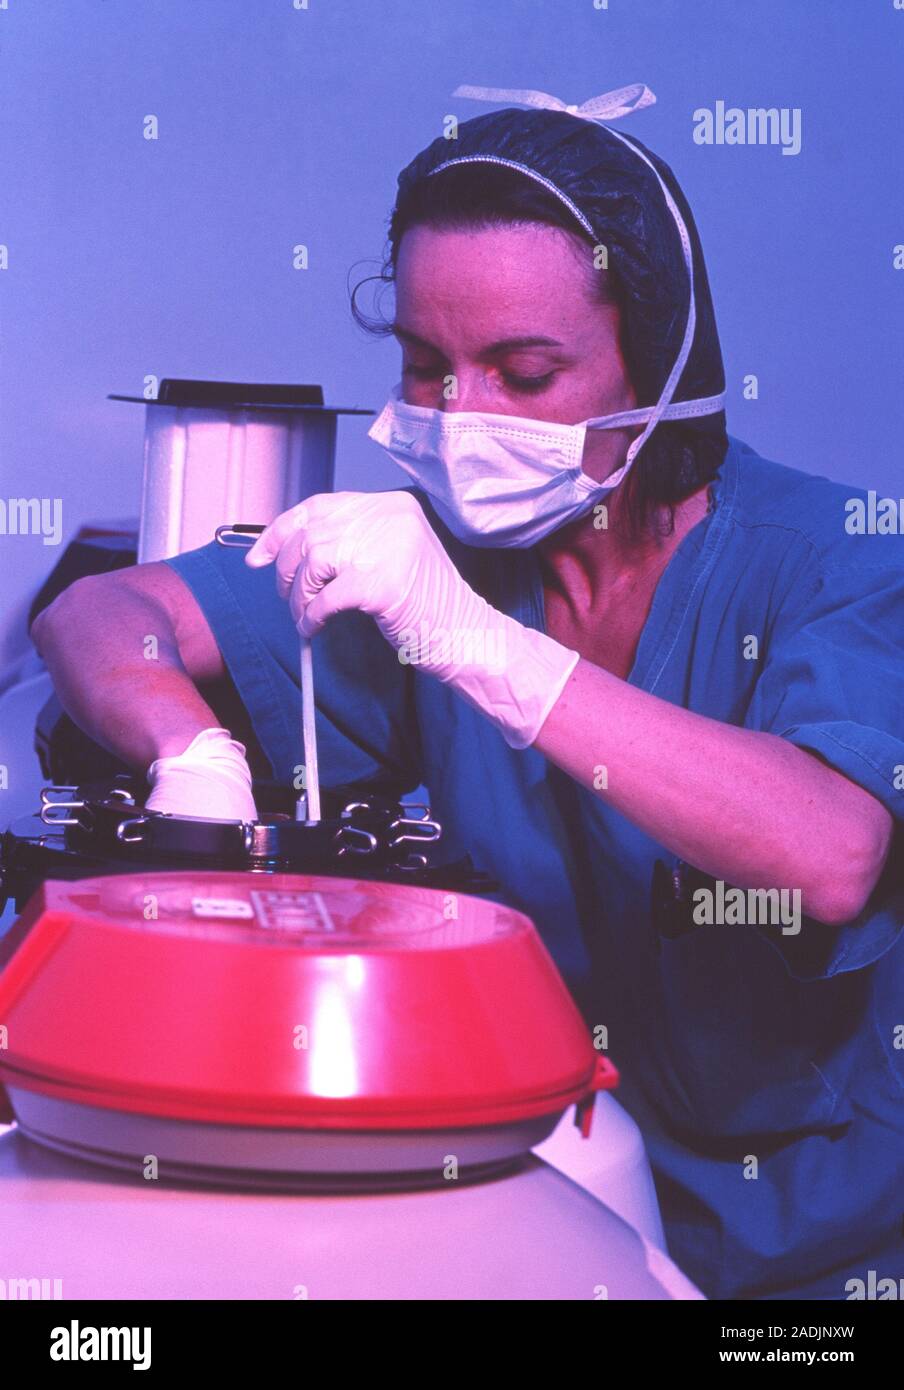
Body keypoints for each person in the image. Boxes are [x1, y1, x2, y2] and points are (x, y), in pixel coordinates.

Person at [31, 87, 903, 1301]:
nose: (463, 418)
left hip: (820, 1274)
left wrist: (475, 644)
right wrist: (189, 750)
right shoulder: (431, 557)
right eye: (427, 367)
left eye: (526, 371)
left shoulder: (835, 565)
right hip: (570, 1221)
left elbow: (833, 850)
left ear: (659, 366)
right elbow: (97, 616)